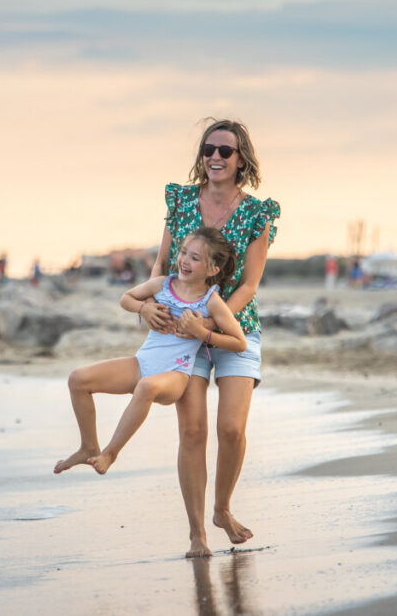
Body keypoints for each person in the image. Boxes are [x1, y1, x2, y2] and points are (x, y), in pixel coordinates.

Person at [142, 119, 280, 558]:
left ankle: (222, 509)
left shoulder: (258, 213)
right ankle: (197, 534)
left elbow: (249, 284)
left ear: (242, 160)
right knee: (194, 431)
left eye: (226, 151)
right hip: (182, 332)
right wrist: (149, 307)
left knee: (232, 429)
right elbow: (162, 265)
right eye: (209, 149)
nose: (215, 157)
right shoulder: (181, 201)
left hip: (236, 326)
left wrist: (210, 323)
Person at [54, 228, 246, 476]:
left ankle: (111, 453)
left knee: (146, 387)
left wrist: (201, 332)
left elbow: (239, 342)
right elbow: (126, 298)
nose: (185, 260)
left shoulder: (211, 301)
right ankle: (88, 445)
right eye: (184, 252)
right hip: (141, 363)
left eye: (195, 258)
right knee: (78, 379)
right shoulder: (162, 284)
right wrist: (144, 309)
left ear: (213, 270)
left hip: (175, 374)